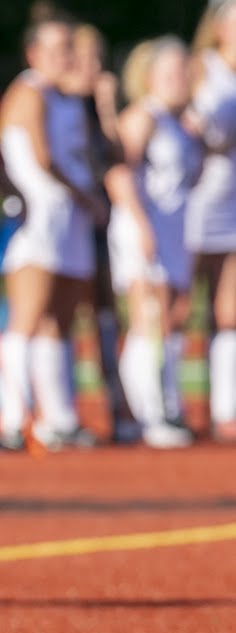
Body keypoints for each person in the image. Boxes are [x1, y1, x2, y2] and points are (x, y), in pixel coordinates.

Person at [0, 11, 105, 449]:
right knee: (28, 316)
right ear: (34, 53)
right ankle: (12, 417)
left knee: (59, 322)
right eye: (58, 49)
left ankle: (58, 416)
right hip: (40, 218)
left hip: (66, 220)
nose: (67, 57)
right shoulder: (29, 92)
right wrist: (84, 196)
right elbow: (41, 159)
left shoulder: (65, 96)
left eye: (70, 48)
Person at [106, 37, 203, 447]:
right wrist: (141, 224)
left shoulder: (179, 122)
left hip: (173, 229)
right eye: (171, 73)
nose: (180, 80)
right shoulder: (142, 118)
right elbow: (118, 173)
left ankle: (162, 405)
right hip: (143, 228)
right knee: (152, 316)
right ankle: (151, 412)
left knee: (172, 316)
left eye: (184, 71)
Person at [65, 22, 139, 442]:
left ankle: (117, 404)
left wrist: (107, 106)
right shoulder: (56, 103)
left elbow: (115, 154)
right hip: (73, 221)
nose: (92, 67)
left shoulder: (93, 107)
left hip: (100, 223)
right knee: (64, 317)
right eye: (84, 57)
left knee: (108, 315)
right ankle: (61, 410)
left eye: (98, 57)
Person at [187, 0, 236, 442]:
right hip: (196, 201)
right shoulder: (202, 68)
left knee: (230, 311)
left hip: (233, 205)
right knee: (183, 305)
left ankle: (225, 408)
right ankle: (164, 408)